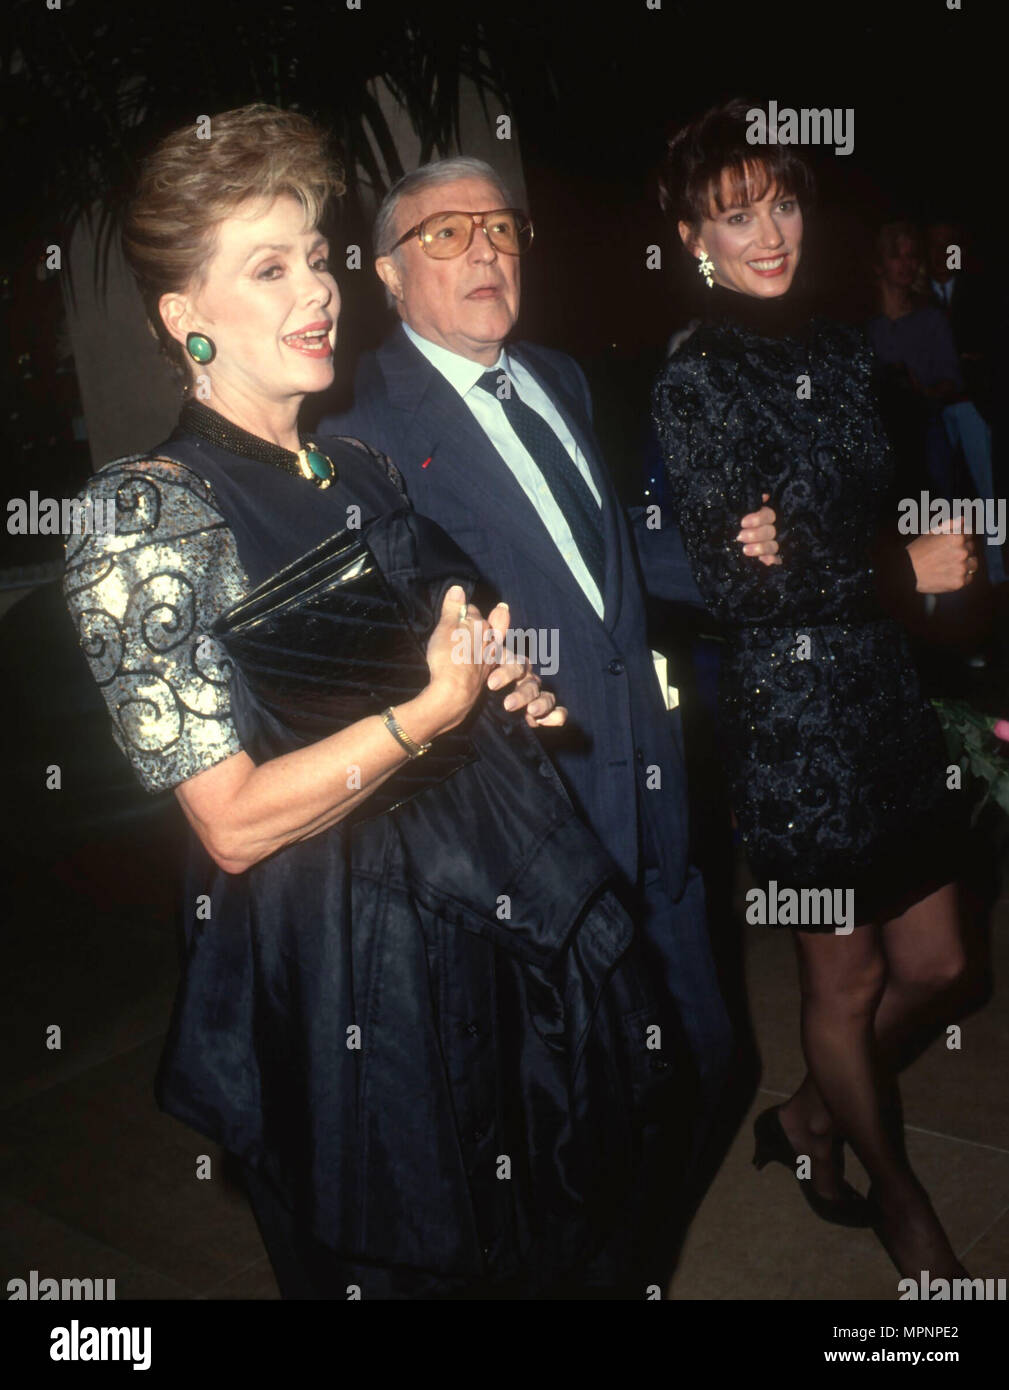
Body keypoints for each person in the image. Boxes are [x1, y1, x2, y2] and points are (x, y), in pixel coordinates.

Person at [63, 104, 685, 1300]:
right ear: (184, 321)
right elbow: (232, 821)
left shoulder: (357, 466)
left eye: (313, 256)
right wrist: (425, 717)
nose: (316, 292)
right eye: (266, 268)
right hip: (341, 973)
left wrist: (498, 687)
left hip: (477, 917)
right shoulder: (141, 516)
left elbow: (439, 666)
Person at [319, 157, 782, 1208]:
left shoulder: (557, 377)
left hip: (651, 792)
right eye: (446, 234)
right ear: (387, 275)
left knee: (712, 1061)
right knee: (584, 1115)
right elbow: (381, 657)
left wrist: (739, 554)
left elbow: (603, 559)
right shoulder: (361, 435)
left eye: (500, 227)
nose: (485, 249)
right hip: (535, 828)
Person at [652, 98, 978, 1283]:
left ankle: (804, 1116)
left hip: (883, 690)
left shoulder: (846, 350)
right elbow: (737, 592)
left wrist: (860, 547)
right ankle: (899, 1203)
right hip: (794, 725)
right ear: (695, 236)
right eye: (737, 214)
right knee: (843, 975)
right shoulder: (696, 381)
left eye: (783, 201)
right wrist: (892, 564)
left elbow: (834, 528)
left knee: (940, 962)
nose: (769, 230)